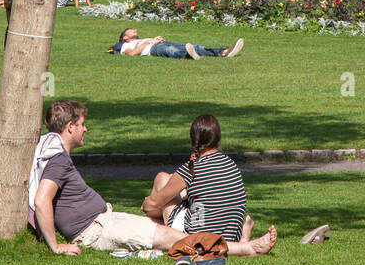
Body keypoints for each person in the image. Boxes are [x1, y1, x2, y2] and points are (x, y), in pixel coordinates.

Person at [32, 100, 276, 257]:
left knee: (163, 228)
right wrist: (55, 246)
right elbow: (43, 200)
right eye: (83, 124)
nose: (86, 129)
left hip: (105, 220)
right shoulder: (57, 159)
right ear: (71, 127)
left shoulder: (55, 154)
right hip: (97, 229)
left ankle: (239, 244)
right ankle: (246, 248)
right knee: (179, 239)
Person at [141, 114, 259, 245]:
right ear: (218, 138)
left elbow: (153, 204)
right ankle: (242, 238)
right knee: (181, 194)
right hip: (230, 237)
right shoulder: (231, 164)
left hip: (196, 239)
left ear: (193, 139)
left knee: (162, 179)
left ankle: (154, 227)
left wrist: (146, 204)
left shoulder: (191, 169)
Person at [112, 27, 244, 59]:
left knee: (196, 46)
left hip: (158, 44)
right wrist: (149, 43)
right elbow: (132, 54)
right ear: (125, 37)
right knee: (171, 51)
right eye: (130, 30)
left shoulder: (140, 39)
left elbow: (149, 41)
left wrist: (155, 39)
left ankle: (223, 52)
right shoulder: (124, 45)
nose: (134, 29)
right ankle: (189, 54)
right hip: (153, 49)